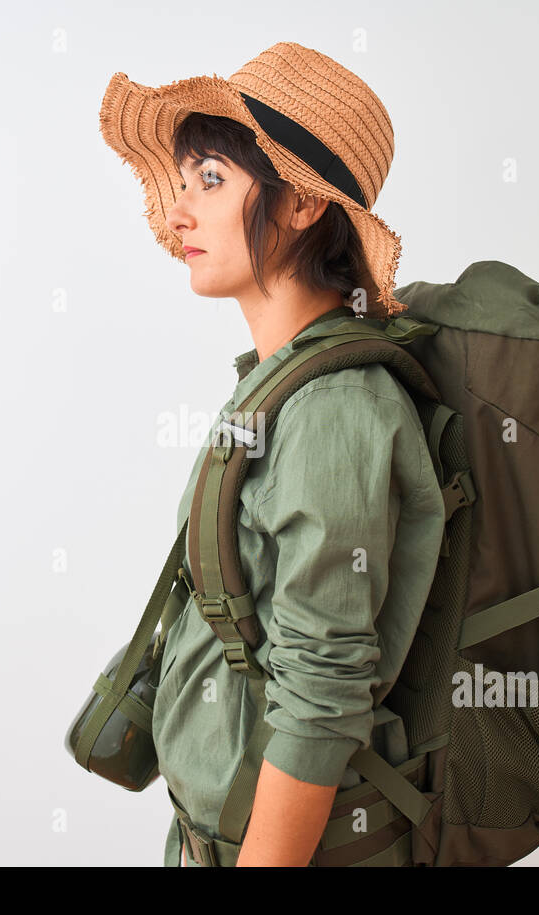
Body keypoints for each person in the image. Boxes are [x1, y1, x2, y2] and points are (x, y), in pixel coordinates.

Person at [98, 42, 446, 866]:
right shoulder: (282, 384)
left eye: (211, 179)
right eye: (182, 183)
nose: (180, 211)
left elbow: (322, 698)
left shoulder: (335, 409)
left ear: (298, 206)